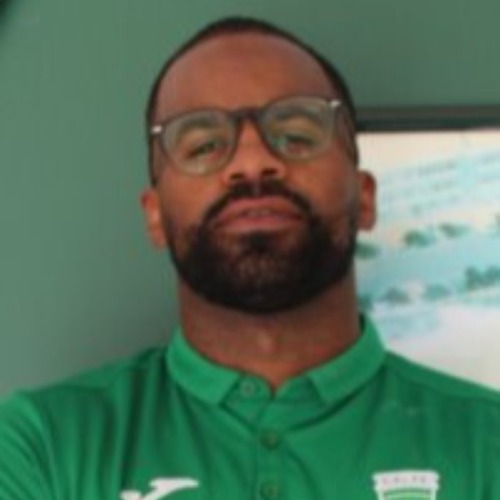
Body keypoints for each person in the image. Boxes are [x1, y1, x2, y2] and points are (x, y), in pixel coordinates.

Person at [1, 16, 500, 500]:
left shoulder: (487, 443)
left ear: (365, 197)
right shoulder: (41, 446)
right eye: (204, 145)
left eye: (298, 135)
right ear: (154, 216)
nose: (253, 162)